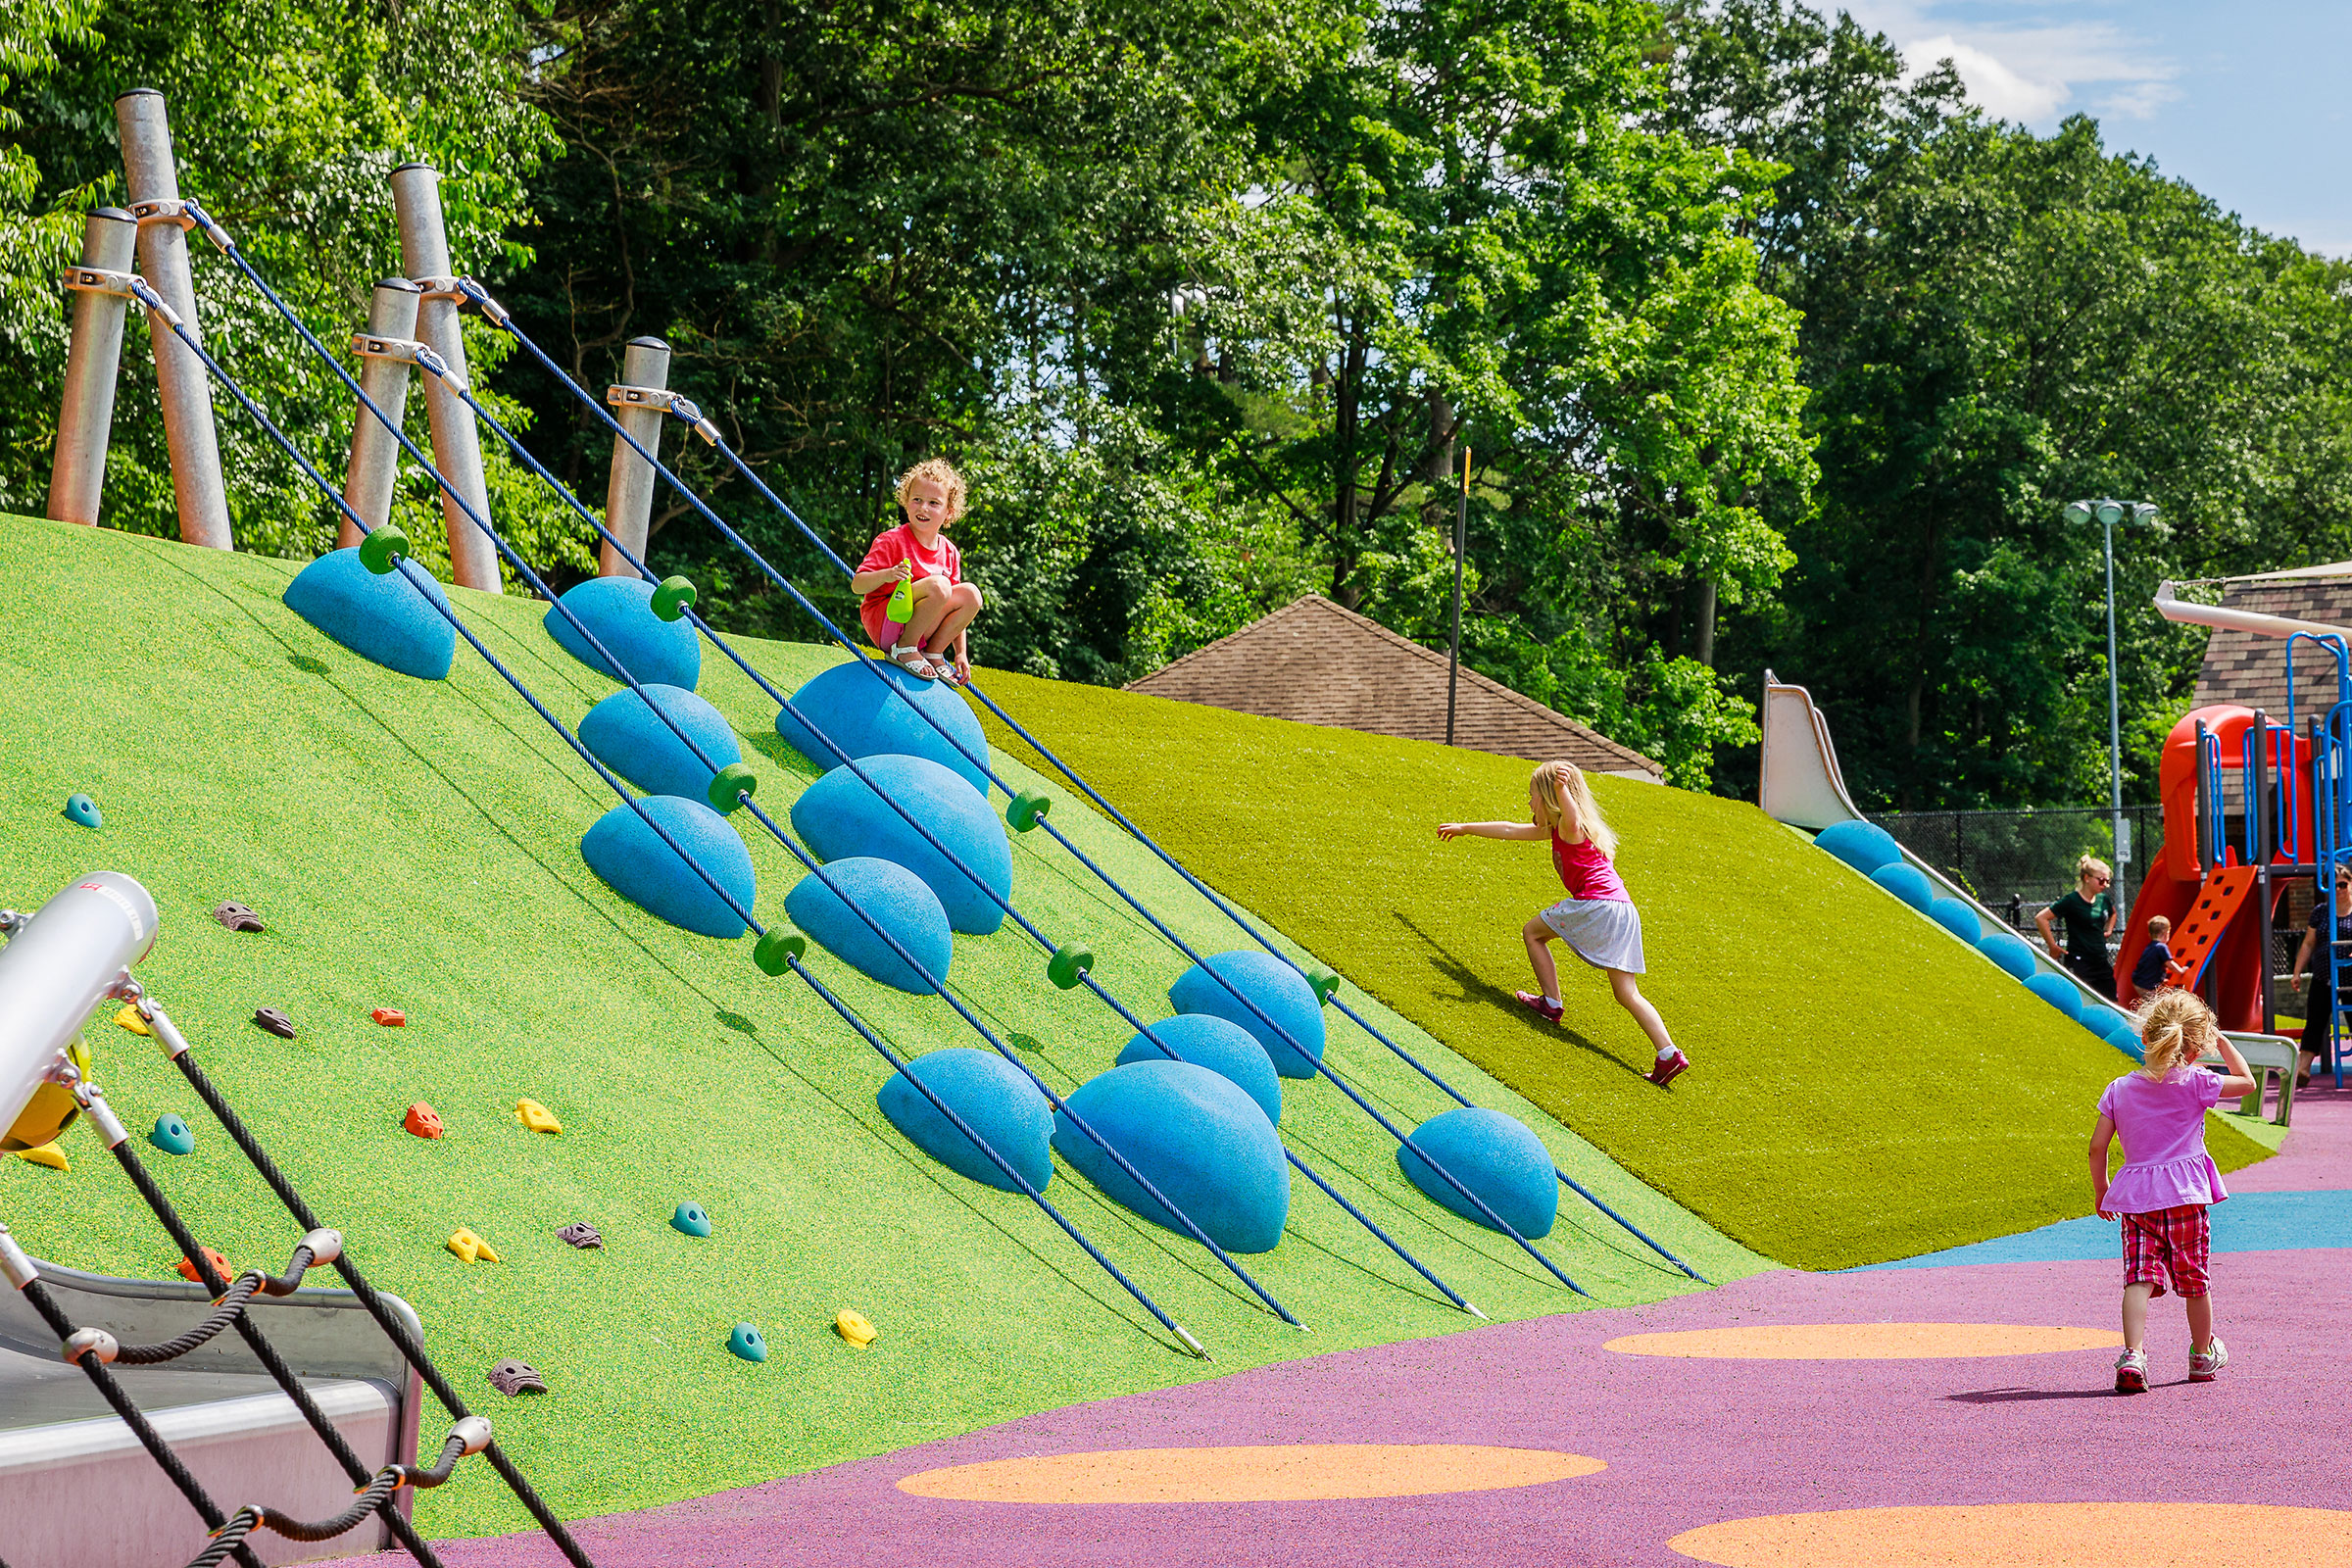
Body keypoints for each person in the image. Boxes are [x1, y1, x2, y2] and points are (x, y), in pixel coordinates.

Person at [1437, 760, 1689, 1087]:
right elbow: (1511, 830)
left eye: (1532, 797)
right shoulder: (1558, 830)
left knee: (1532, 932)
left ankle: (1551, 1003)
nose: (1528, 803)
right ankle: (1668, 1053)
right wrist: (1466, 827)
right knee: (1627, 992)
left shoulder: (1570, 827)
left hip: (1596, 905)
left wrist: (1561, 789)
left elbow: (1568, 815)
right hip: (1623, 909)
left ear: (1549, 800)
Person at [2087, 989, 2253, 1394]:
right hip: (2186, 1197)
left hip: (2137, 1200)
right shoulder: (2197, 1082)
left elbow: (2097, 1147)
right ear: (2196, 1048)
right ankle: (2201, 1354)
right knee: (2195, 1282)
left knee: (2137, 1279)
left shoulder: (2119, 1088)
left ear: (2146, 1038)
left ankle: (2133, 1355)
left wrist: (2102, 1188)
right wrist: (2226, 1044)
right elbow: (2248, 1084)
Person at [849, 458, 985, 685]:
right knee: (940, 585)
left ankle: (933, 653)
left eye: (933, 503)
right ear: (906, 501)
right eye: (917, 500)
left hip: (925, 627)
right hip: (888, 623)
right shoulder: (892, 540)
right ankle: (904, 648)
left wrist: (961, 652)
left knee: (971, 594)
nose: (923, 508)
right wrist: (887, 574)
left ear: (948, 513)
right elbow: (857, 585)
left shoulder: (950, 552)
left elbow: (954, 608)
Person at [2288, 862, 2352, 1089]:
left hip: (2349, 976)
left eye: (2343, 885)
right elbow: (2308, 943)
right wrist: (2297, 972)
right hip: (2324, 974)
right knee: (2315, 1020)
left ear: (2350, 884)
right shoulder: (2321, 912)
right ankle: (2303, 1068)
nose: (2338, 890)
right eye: (2333, 886)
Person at [2037, 854, 2118, 1000]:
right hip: (2080, 961)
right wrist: (2052, 946)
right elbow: (2041, 918)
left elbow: (2113, 913)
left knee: (2111, 1000)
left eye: (2107, 881)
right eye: (2101, 880)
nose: (2105, 885)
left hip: (2100, 959)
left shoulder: (2103, 899)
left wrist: (2109, 929)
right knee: (2079, 998)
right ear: (2087, 878)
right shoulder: (2072, 900)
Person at [2128, 914, 2188, 999]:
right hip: (2146, 985)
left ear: (2150, 934)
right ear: (2166, 934)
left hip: (2138, 981)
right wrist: (2181, 971)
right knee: (2154, 1001)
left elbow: (2151, 966)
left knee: (2149, 1000)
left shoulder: (2150, 947)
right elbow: (2170, 964)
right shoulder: (2161, 947)